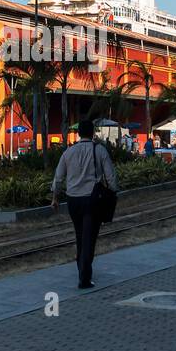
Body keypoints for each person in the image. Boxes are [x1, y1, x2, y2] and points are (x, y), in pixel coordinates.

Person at [51, 119, 119, 290]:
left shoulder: (68, 152)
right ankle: (84, 278)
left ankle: (81, 268)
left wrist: (55, 197)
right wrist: (112, 192)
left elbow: (58, 177)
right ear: (93, 132)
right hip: (92, 199)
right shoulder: (99, 150)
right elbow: (111, 177)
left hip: (73, 200)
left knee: (80, 235)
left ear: (79, 133)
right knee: (90, 238)